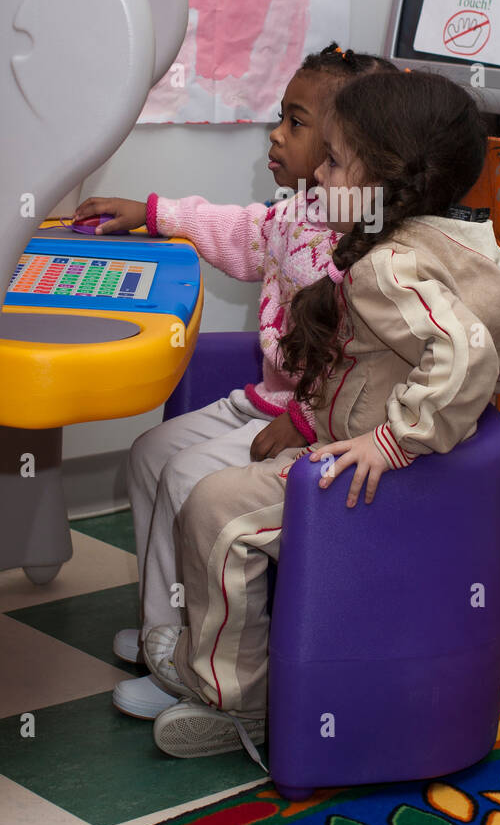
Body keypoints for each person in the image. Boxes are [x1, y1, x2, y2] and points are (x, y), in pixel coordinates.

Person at [141, 68, 500, 760]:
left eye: (334, 161)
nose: (320, 175)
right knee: (221, 493)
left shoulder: (383, 270)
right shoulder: (460, 245)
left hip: (372, 469)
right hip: (383, 454)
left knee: (215, 511)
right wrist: (466, 411)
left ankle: (227, 692)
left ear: (383, 178)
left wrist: (401, 439)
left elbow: (467, 348)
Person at [73, 44, 394, 719]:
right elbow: (239, 229)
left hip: (324, 426)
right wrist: (155, 211)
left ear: (354, 149)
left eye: (297, 123)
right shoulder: (295, 215)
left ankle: (202, 666)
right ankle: (172, 633)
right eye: (282, 116)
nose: (277, 134)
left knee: (192, 479)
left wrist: (305, 424)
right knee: (151, 454)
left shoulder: (370, 248)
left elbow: (368, 367)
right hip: (272, 402)